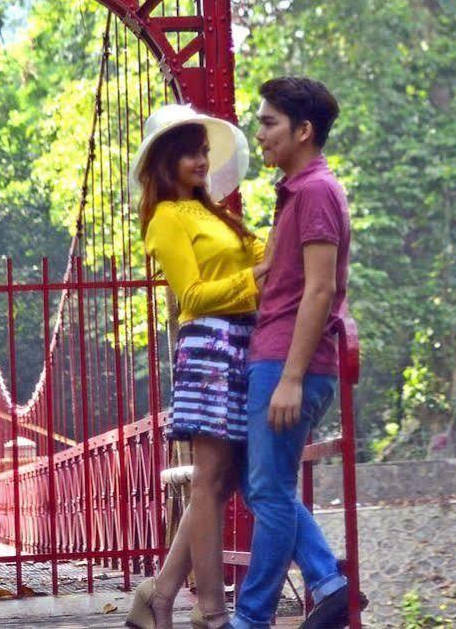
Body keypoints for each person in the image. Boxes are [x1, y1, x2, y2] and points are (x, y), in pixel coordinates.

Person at [228, 77, 355, 629]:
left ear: (304, 131)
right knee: (262, 485)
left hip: (287, 360)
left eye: (268, 123)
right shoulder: (296, 192)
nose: (258, 135)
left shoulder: (316, 192)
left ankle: (251, 619)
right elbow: (282, 279)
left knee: (268, 491)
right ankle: (327, 584)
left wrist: (291, 378)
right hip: (276, 354)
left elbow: (320, 289)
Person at [126, 104, 260, 629]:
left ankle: (158, 594)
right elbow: (193, 296)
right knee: (209, 481)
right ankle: (211, 612)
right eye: (190, 151)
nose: (202, 159)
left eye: (205, 150)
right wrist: (258, 278)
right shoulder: (166, 219)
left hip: (243, 344)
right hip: (208, 347)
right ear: (165, 160)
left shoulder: (216, 213)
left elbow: (264, 256)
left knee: (219, 479)